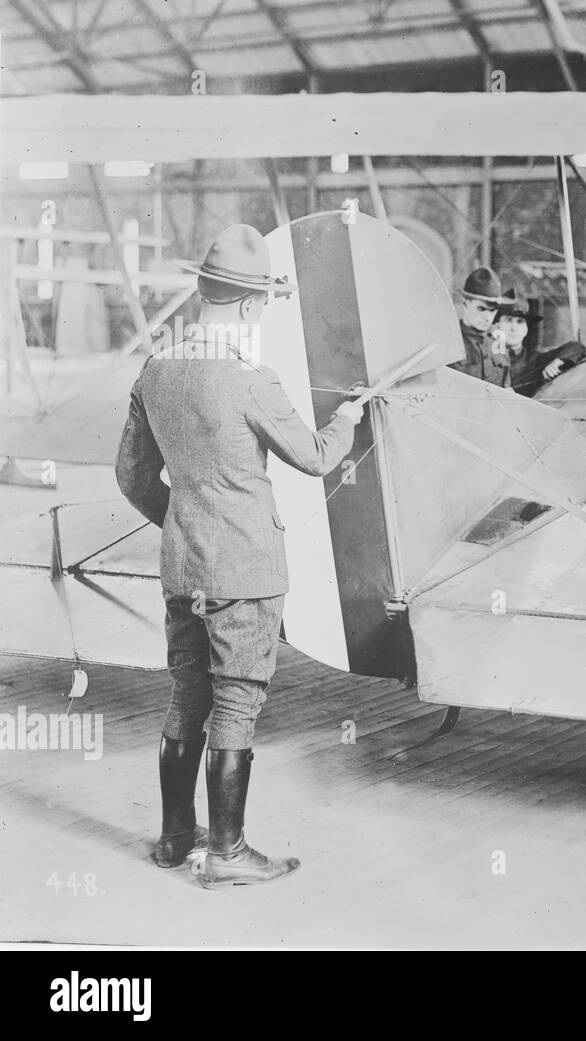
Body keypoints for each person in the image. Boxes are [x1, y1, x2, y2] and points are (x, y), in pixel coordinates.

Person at [117, 224, 364, 888]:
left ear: (203, 290)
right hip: (245, 572)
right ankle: (226, 853)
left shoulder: (156, 368)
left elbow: (133, 478)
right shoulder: (252, 378)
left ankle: (174, 839)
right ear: (252, 306)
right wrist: (351, 417)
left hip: (182, 570)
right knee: (236, 702)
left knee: (188, 695)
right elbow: (314, 456)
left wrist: (183, 523)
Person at [494, 288, 586, 398]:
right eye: (508, 320)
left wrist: (558, 362)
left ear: (526, 329)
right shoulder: (487, 357)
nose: (513, 328)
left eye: (520, 322)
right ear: (497, 324)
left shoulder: (535, 360)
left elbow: (576, 347)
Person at [450, 266, 510, 387]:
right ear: (465, 303)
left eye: (492, 311)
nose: (487, 317)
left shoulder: (498, 342)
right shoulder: (449, 341)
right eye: (481, 309)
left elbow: (507, 389)